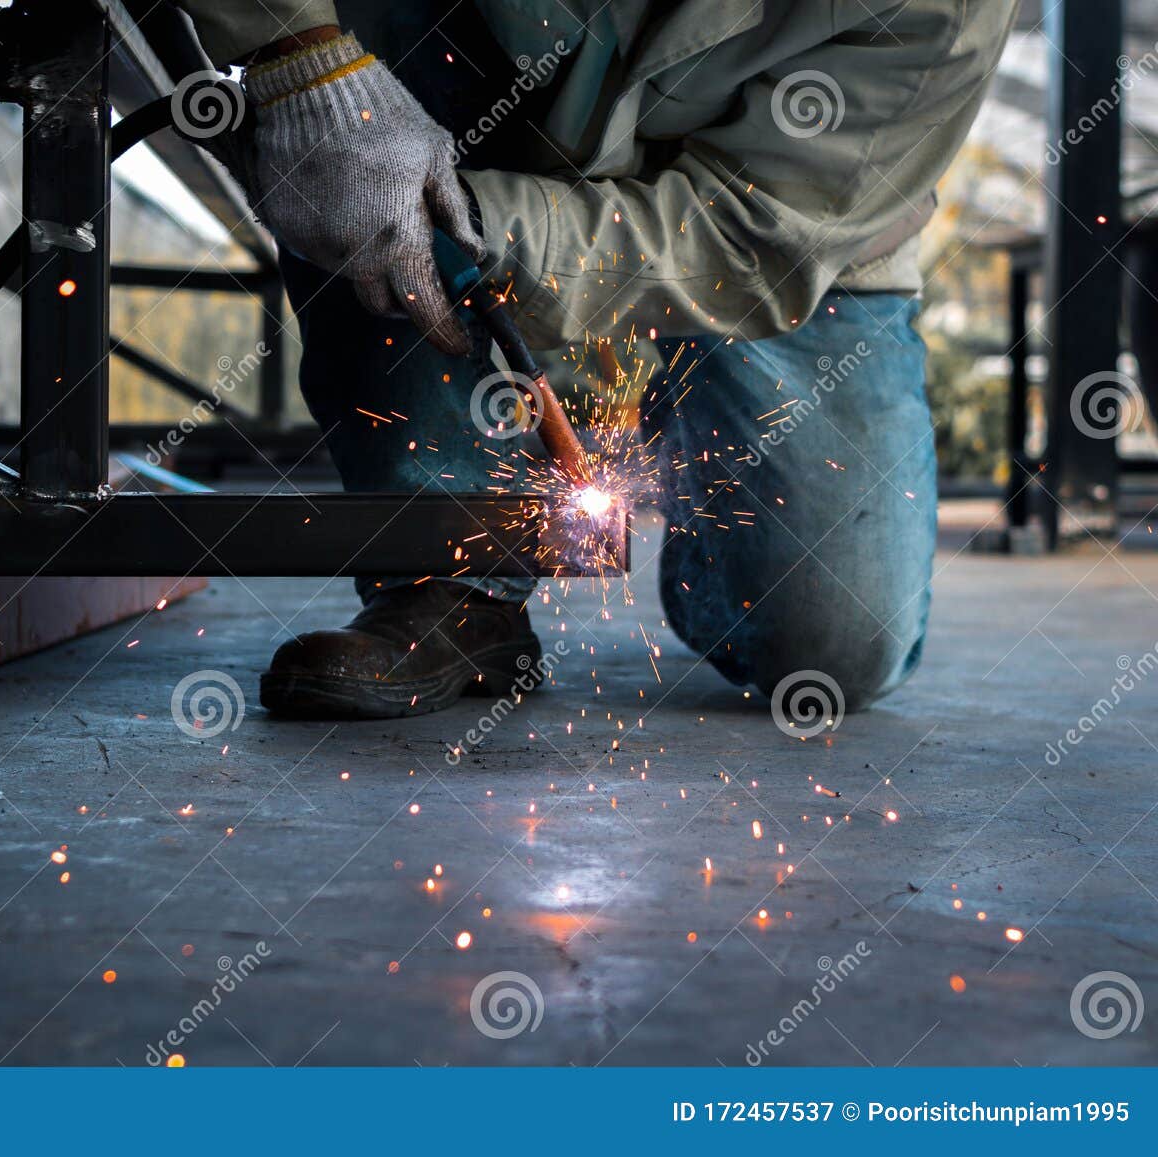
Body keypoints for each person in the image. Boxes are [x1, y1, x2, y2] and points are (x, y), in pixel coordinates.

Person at [173, 0, 1019, 719]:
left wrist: (477, 219)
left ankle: (685, 430)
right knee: (391, 182)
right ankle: (454, 584)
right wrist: (301, 56)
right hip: (450, 121)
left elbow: (759, 234)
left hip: (788, 232)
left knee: (828, 646)